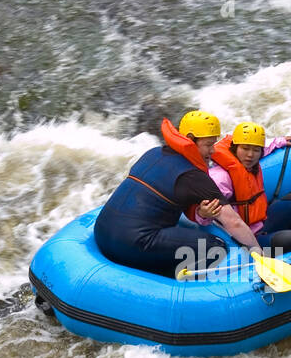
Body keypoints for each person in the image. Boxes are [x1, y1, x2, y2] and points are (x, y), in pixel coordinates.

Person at [93, 111, 263, 278]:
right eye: (208, 145)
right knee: (215, 246)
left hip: (102, 232)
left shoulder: (153, 153)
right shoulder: (193, 176)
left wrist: (201, 212)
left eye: (214, 143)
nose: (213, 151)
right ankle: (175, 284)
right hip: (133, 242)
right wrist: (259, 254)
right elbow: (234, 223)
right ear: (190, 139)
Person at [191, 122, 291, 253]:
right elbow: (205, 213)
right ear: (235, 148)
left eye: (255, 150)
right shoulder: (220, 178)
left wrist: (280, 141)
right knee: (289, 239)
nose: (250, 155)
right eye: (245, 149)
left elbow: (265, 146)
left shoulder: (249, 160)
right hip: (246, 242)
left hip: (261, 222)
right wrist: (203, 214)